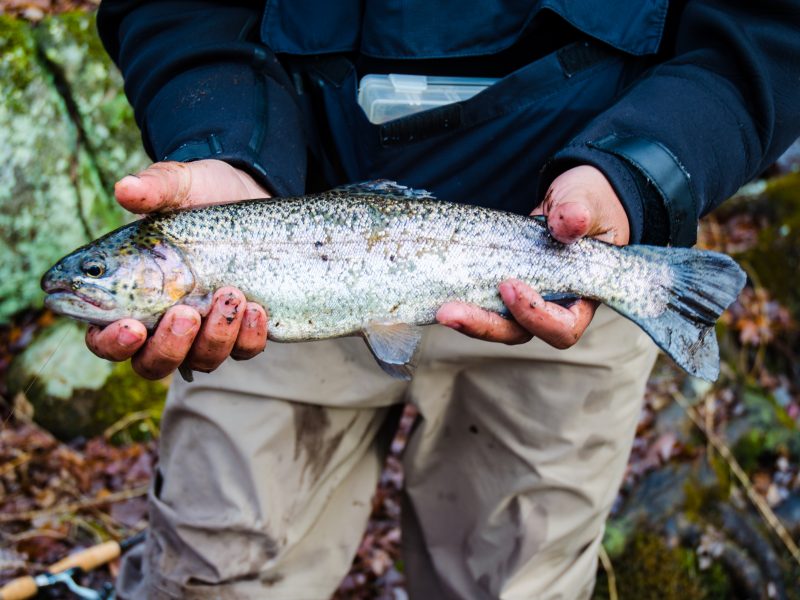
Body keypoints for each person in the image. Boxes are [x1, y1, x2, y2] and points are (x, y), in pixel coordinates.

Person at [89, 1, 800, 598]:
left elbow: (770, 23)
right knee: (207, 577)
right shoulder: (204, 267)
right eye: (95, 280)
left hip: (581, 235)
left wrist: (643, 175)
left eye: (96, 279)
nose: (85, 291)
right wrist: (220, 142)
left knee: (518, 584)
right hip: (281, 233)